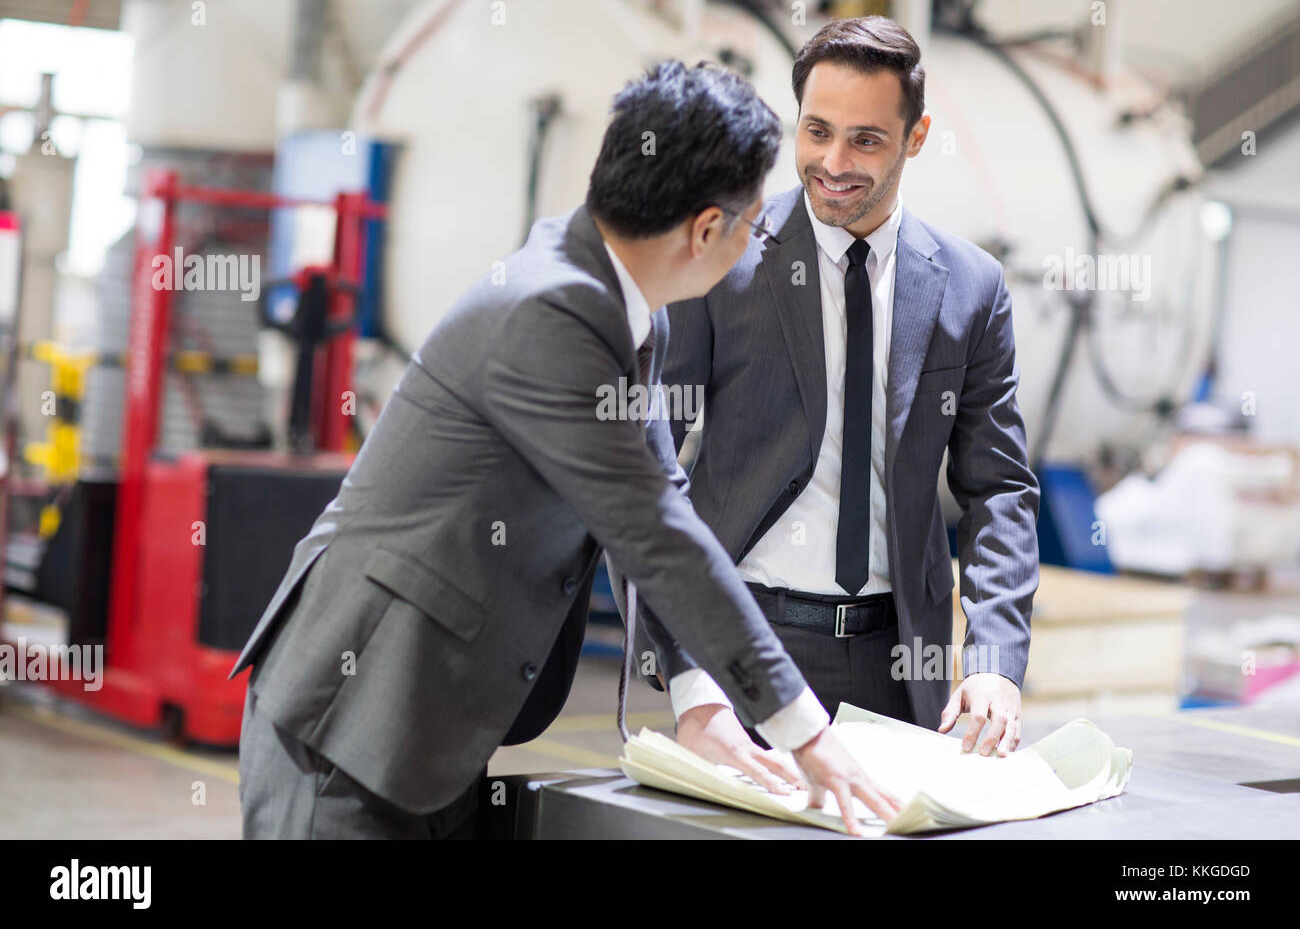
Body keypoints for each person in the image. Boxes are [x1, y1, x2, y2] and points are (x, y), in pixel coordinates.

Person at [231, 60, 901, 839]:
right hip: (351, 718)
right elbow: (655, 536)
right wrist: (807, 733)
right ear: (707, 230)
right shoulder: (552, 312)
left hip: (434, 721)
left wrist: (702, 698)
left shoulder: (626, 305)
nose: (755, 247)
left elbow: (659, 502)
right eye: (755, 224)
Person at [645, 17, 1041, 771]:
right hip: (744, 647)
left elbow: (1000, 490)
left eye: (865, 140)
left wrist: (991, 657)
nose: (832, 162)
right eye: (817, 131)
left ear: (915, 137)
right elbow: (647, 470)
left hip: (901, 664)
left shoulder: (971, 287)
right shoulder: (722, 261)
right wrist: (689, 670)